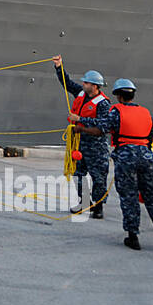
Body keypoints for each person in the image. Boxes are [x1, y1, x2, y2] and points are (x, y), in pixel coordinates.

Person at [73, 78, 153, 253]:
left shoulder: (116, 111)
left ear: (119, 96)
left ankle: (133, 237)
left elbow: (102, 126)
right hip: (147, 157)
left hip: (126, 156)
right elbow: (152, 135)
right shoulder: (146, 112)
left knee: (129, 198)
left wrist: (80, 123)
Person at [52, 56, 110, 218]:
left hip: (96, 147)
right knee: (78, 175)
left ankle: (98, 207)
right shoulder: (80, 94)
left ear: (95, 86)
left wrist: (81, 120)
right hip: (79, 144)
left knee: (98, 177)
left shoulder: (103, 103)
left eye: (86, 83)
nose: (83, 84)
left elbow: (103, 126)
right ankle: (85, 202)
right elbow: (67, 83)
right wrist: (59, 67)